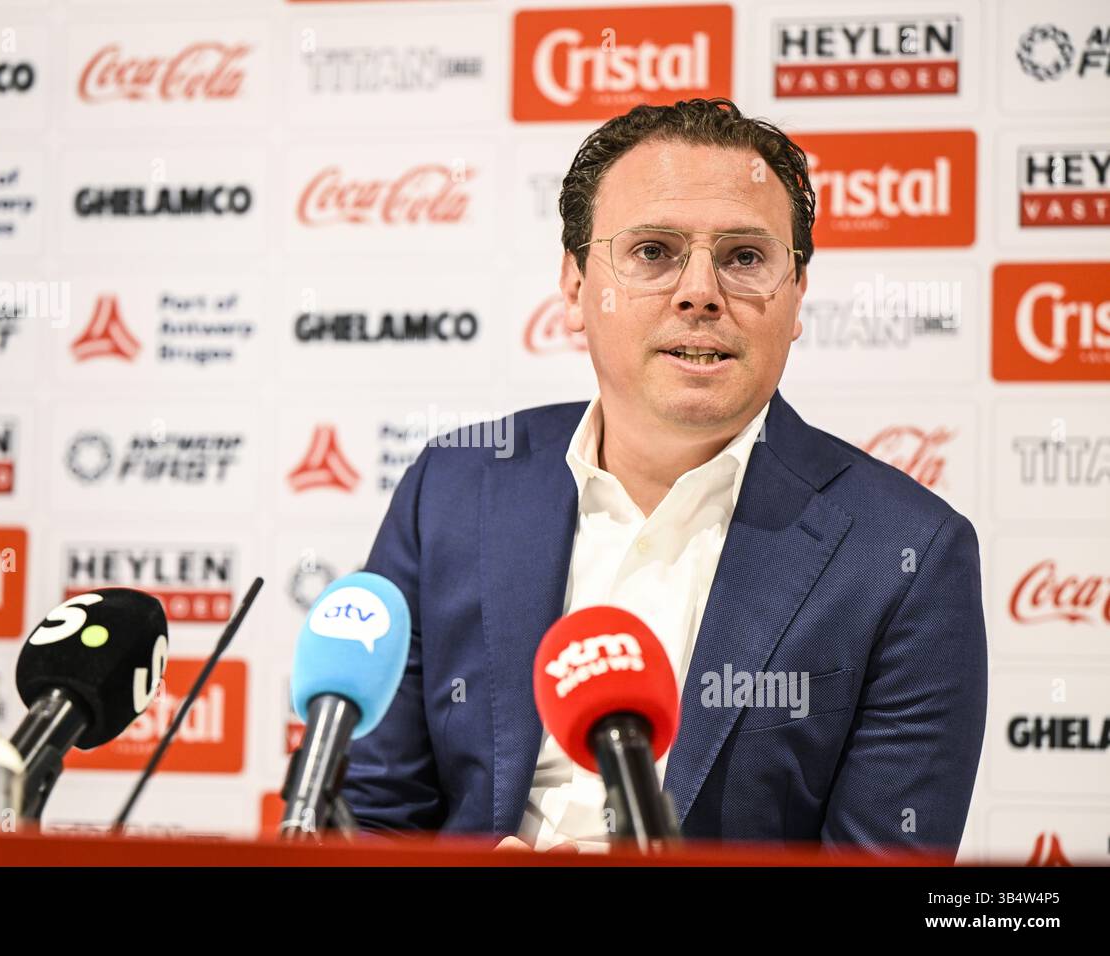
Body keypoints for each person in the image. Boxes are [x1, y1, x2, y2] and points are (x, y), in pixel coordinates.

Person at [341, 98, 987, 855]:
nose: (700, 292)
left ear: (797, 296)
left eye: (746, 257)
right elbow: (373, 814)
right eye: (653, 251)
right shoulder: (452, 488)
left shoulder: (906, 555)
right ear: (576, 284)